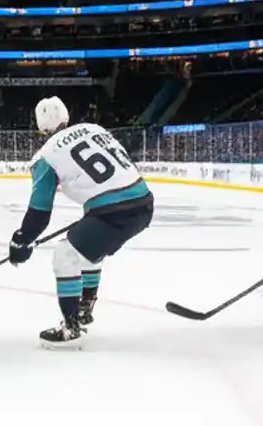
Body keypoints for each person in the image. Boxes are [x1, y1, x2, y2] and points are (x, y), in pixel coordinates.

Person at [8, 97, 154, 348]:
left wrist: (20, 241)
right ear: (66, 117)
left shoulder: (46, 156)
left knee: (65, 254)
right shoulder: (95, 129)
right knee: (86, 246)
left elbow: (39, 213)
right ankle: (85, 308)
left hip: (111, 213)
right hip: (143, 202)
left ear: (40, 128)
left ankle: (71, 326)